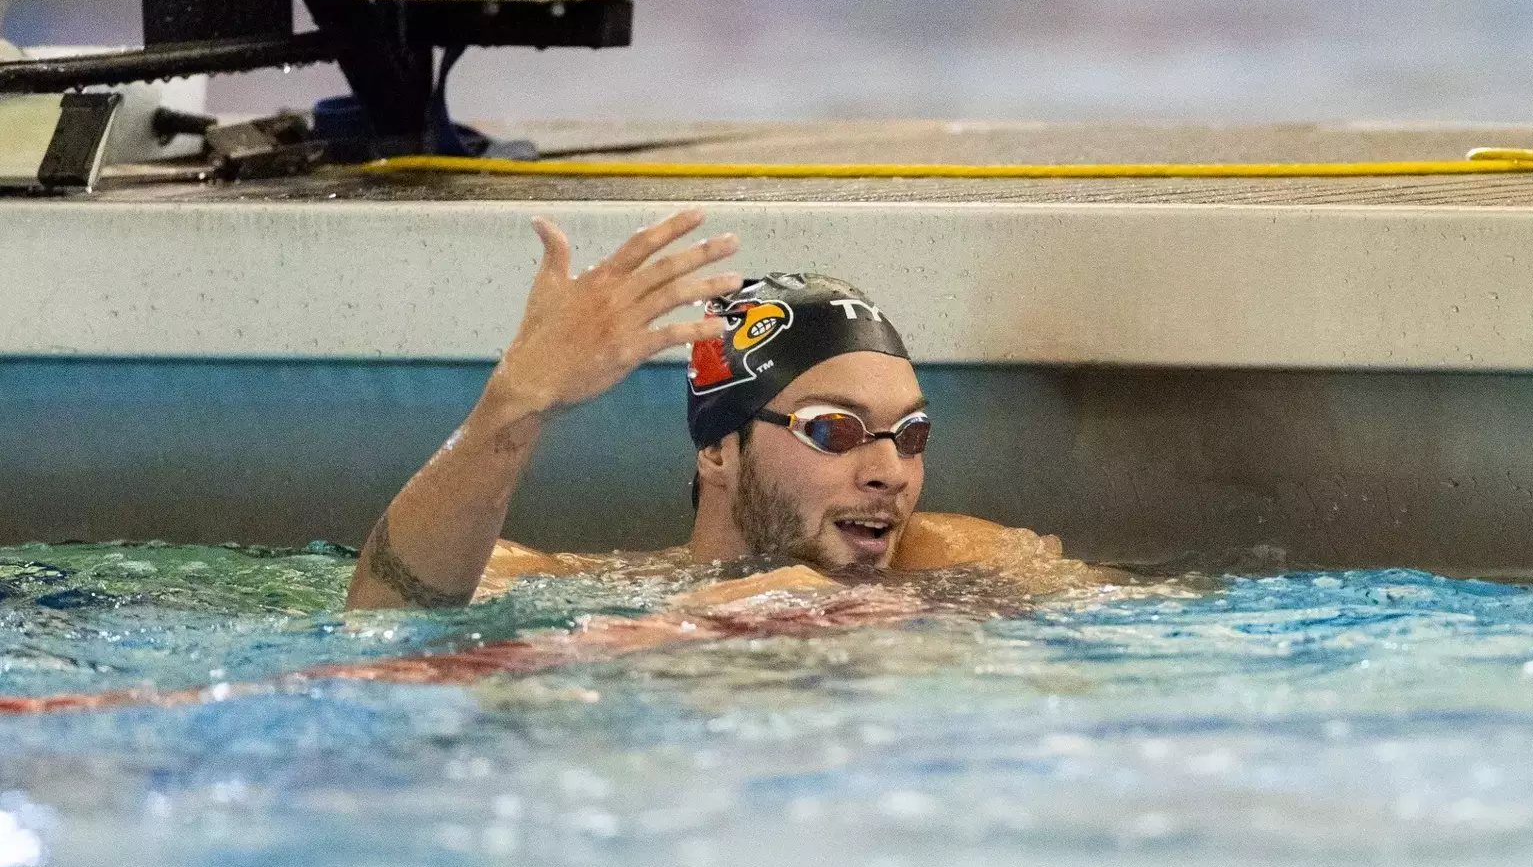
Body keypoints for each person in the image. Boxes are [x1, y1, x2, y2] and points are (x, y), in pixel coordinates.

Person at [344, 208, 1105, 619]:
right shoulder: (563, 590)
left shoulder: (957, 568)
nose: (889, 474)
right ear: (719, 450)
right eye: (833, 430)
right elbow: (388, 617)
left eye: (911, 436)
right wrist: (516, 401)